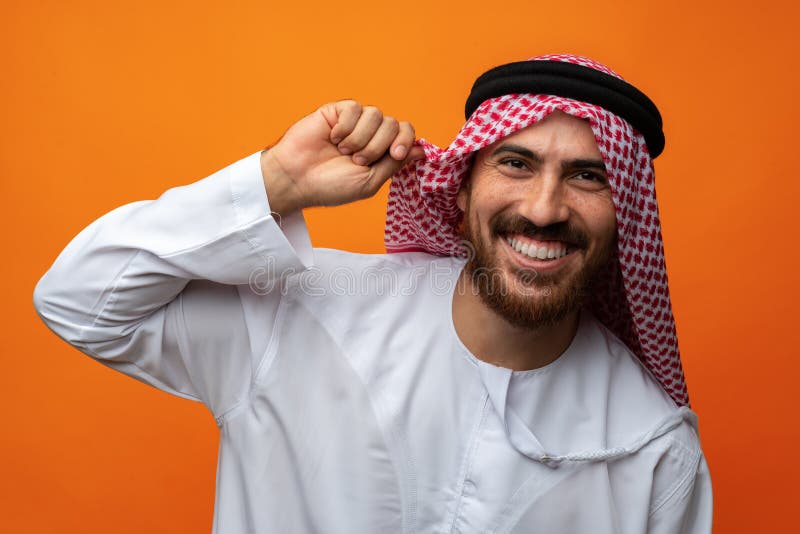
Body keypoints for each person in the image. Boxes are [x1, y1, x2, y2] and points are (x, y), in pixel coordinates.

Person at [34, 54, 713, 533]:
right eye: (516, 162)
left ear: (624, 214)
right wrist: (274, 183)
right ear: (460, 188)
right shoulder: (305, 311)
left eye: (588, 176)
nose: (543, 207)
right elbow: (77, 298)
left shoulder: (652, 451)